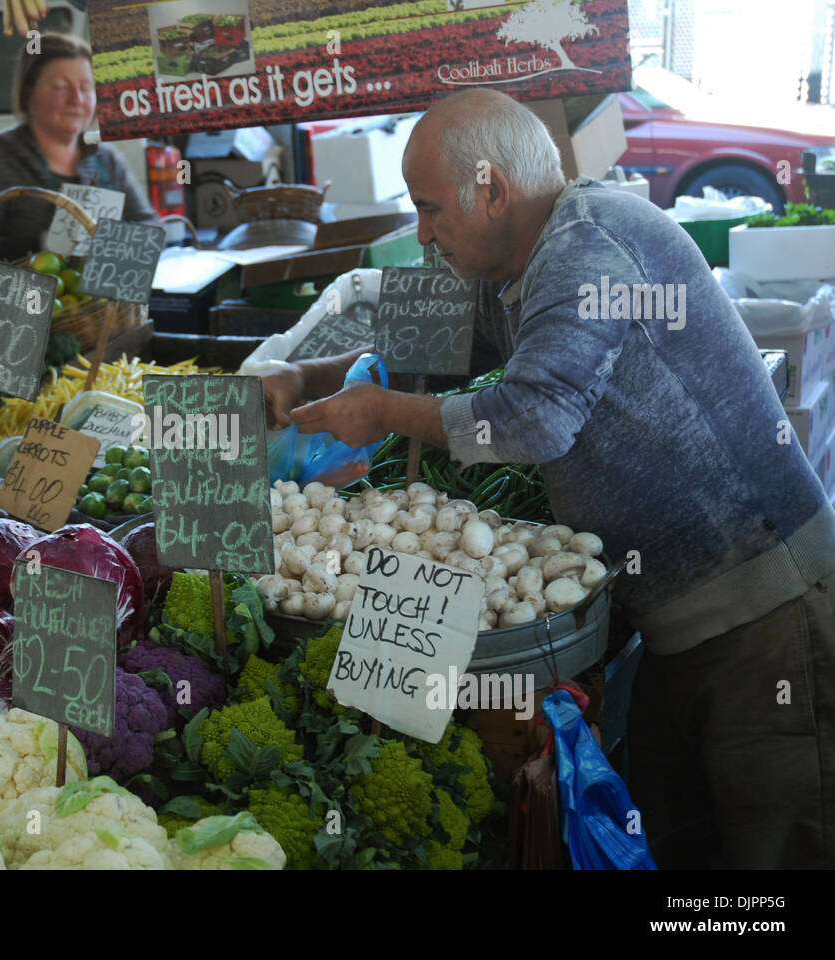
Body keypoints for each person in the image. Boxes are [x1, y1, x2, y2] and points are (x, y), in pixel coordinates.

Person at [263, 88, 835, 870]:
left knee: (777, 852)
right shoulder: (514, 265)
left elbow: (534, 419)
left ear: (492, 188)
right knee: (685, 842)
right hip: (671, 614)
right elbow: (426, 349)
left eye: (431, 211)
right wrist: (303, 375)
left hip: (759, 607)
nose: (423, 235)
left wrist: (388, 413)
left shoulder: (588, 245)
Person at [0, 32, 157, 262]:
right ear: (29, 94)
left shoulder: (106, 158)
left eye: (86, 88)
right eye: (61, 86)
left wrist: (119, 240)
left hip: (99, 298)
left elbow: (150, 225)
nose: (76, 98)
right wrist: (43, 244)